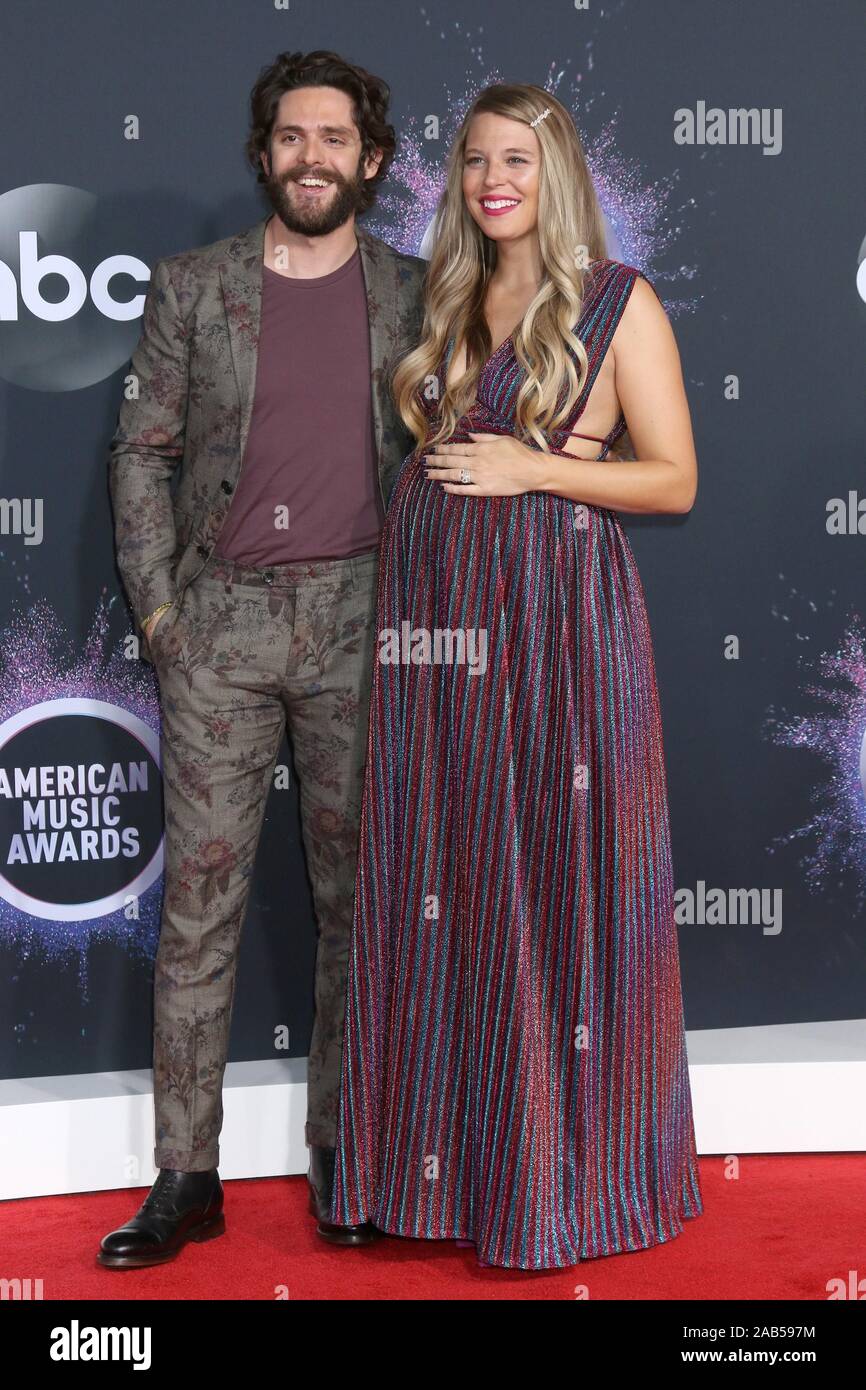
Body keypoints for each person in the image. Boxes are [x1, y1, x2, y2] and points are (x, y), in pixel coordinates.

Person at [328, 84, 703, 1270]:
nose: (493, 180)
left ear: (558, 174)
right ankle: (445, 1172)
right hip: (434, 631)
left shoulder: (613, 299)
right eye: (475, 161)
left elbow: (673, 479)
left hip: (555, 627)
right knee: (442, 879)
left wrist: (536, 472)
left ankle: (563, 1180)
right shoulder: (446, 296)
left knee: (547, 876)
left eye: (518, 161)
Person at [99, 49, 425, 1267]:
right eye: (291, 137)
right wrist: (165, 622)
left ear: (370, 160)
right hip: (221, 626)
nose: (311, 157)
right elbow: (140, 452)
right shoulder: (192, 288)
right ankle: (185, 1175)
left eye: (333, 139)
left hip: (364, 623)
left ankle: (350, 1155)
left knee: (359, 907)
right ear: (265, 153)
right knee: (199, 913)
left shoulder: (415, 291)